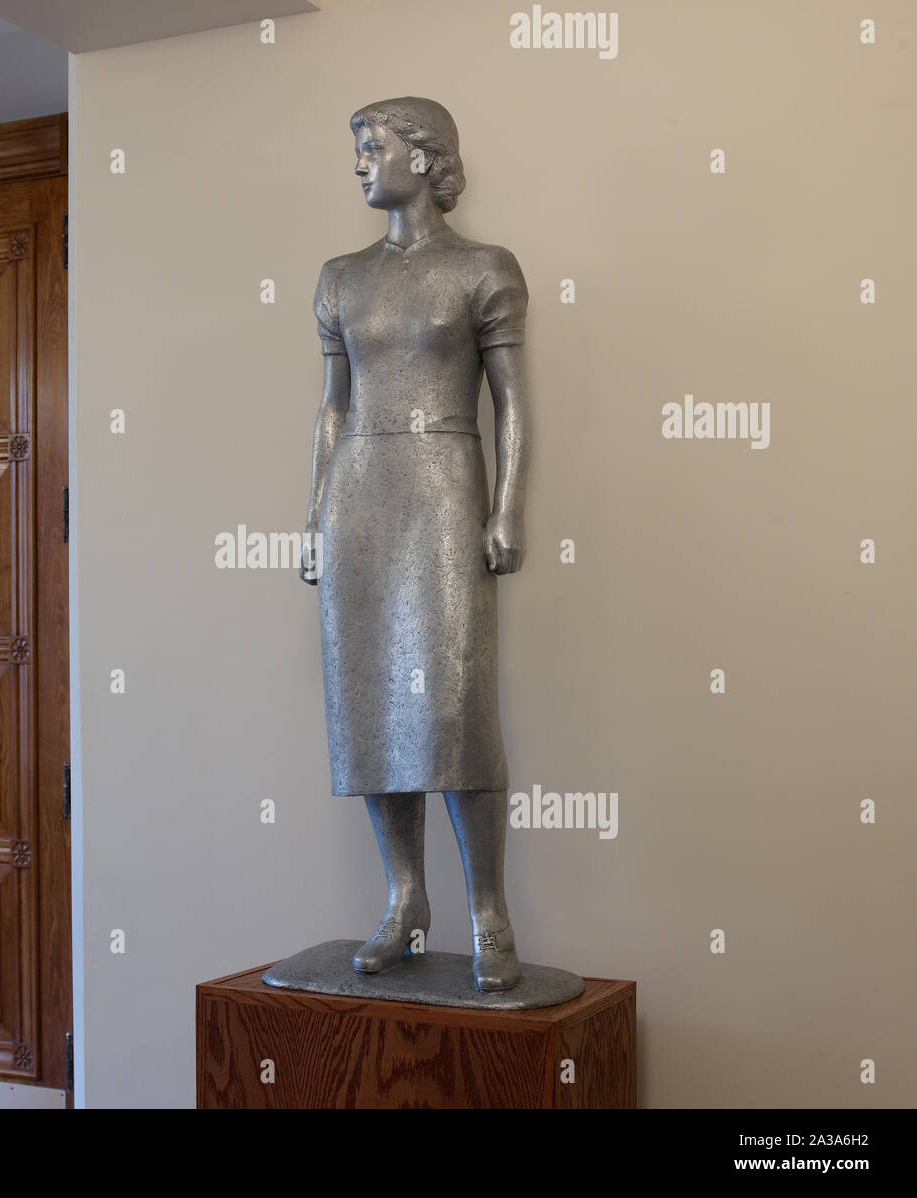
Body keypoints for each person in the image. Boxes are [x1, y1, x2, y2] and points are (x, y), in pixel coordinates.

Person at [300, 97, 530, 991]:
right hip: (359, 491)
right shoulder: (340, 277)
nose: (360, 162)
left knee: (454, 707)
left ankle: (487, 911)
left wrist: (507, 508)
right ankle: (404, 899)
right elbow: (332, 409)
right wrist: (313, 516)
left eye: (373, 147)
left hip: (443, 488)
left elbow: (509, 400)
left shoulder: (484, 269)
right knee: (369, 706)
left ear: (427, 158)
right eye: (356, 147)